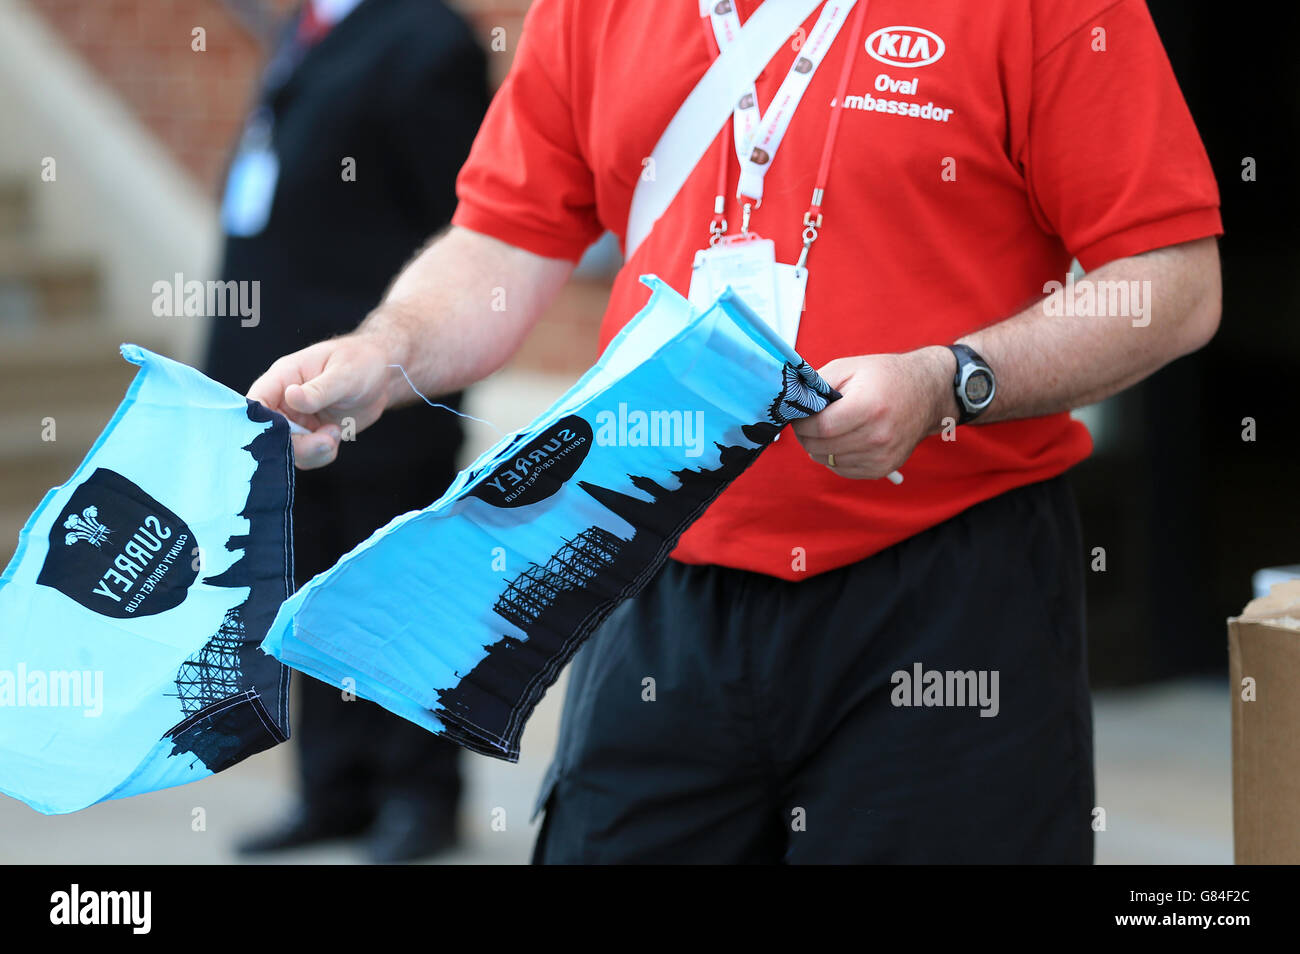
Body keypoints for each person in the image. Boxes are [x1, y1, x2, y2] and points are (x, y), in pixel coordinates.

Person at [248, 0, 1222, 863]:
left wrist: (949, 380)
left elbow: (1172, 284)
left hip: (947, 578)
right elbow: (504, 238)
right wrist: (389, 348)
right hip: (652, 563)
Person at [205, 0, 489, 862]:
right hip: (278, 382)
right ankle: (335, 789)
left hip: (377, 389)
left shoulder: (427, 36)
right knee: (304, 592)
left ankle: (419, 796)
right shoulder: (306, 27)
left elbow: (460, 225)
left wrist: (397, 354)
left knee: (395, 593)